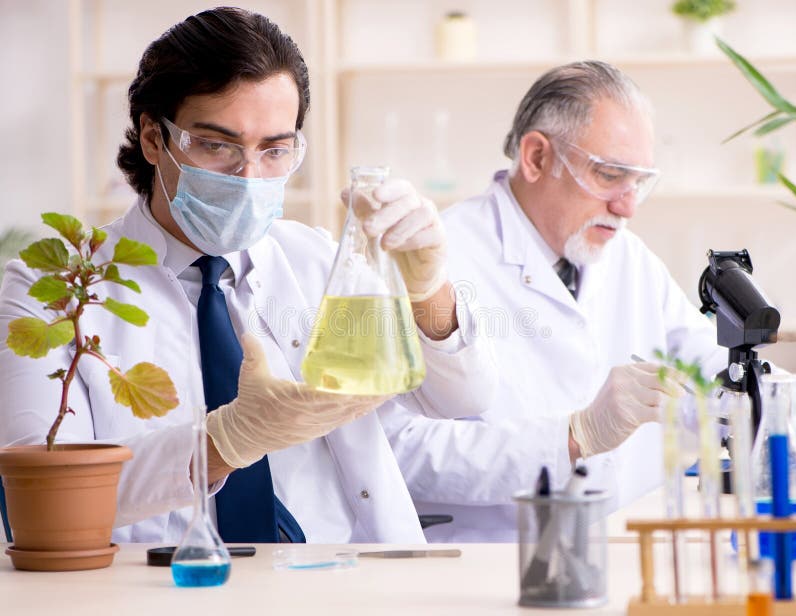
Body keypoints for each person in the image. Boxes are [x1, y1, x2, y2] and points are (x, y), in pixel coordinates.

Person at [0, 7, 496, 544]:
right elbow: (43, 500)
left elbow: (461, 400)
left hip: (343, 572)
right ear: (152, 138)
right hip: (167, 580)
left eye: (275, 149)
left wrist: (427, 290)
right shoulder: (53, 292)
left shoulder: (317, 262)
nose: (249, 175)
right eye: (216, 145)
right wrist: (225, 442)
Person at [379, 60, 729, 542]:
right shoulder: (433, 260)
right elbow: (400, 448)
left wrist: (778, 400)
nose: (627, 206)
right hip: (495, 559)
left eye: (638, 182)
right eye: (609, 174)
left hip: (627, 548)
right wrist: (573, 436)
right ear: (537, 158)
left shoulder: (627, 255)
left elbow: (710, 362)